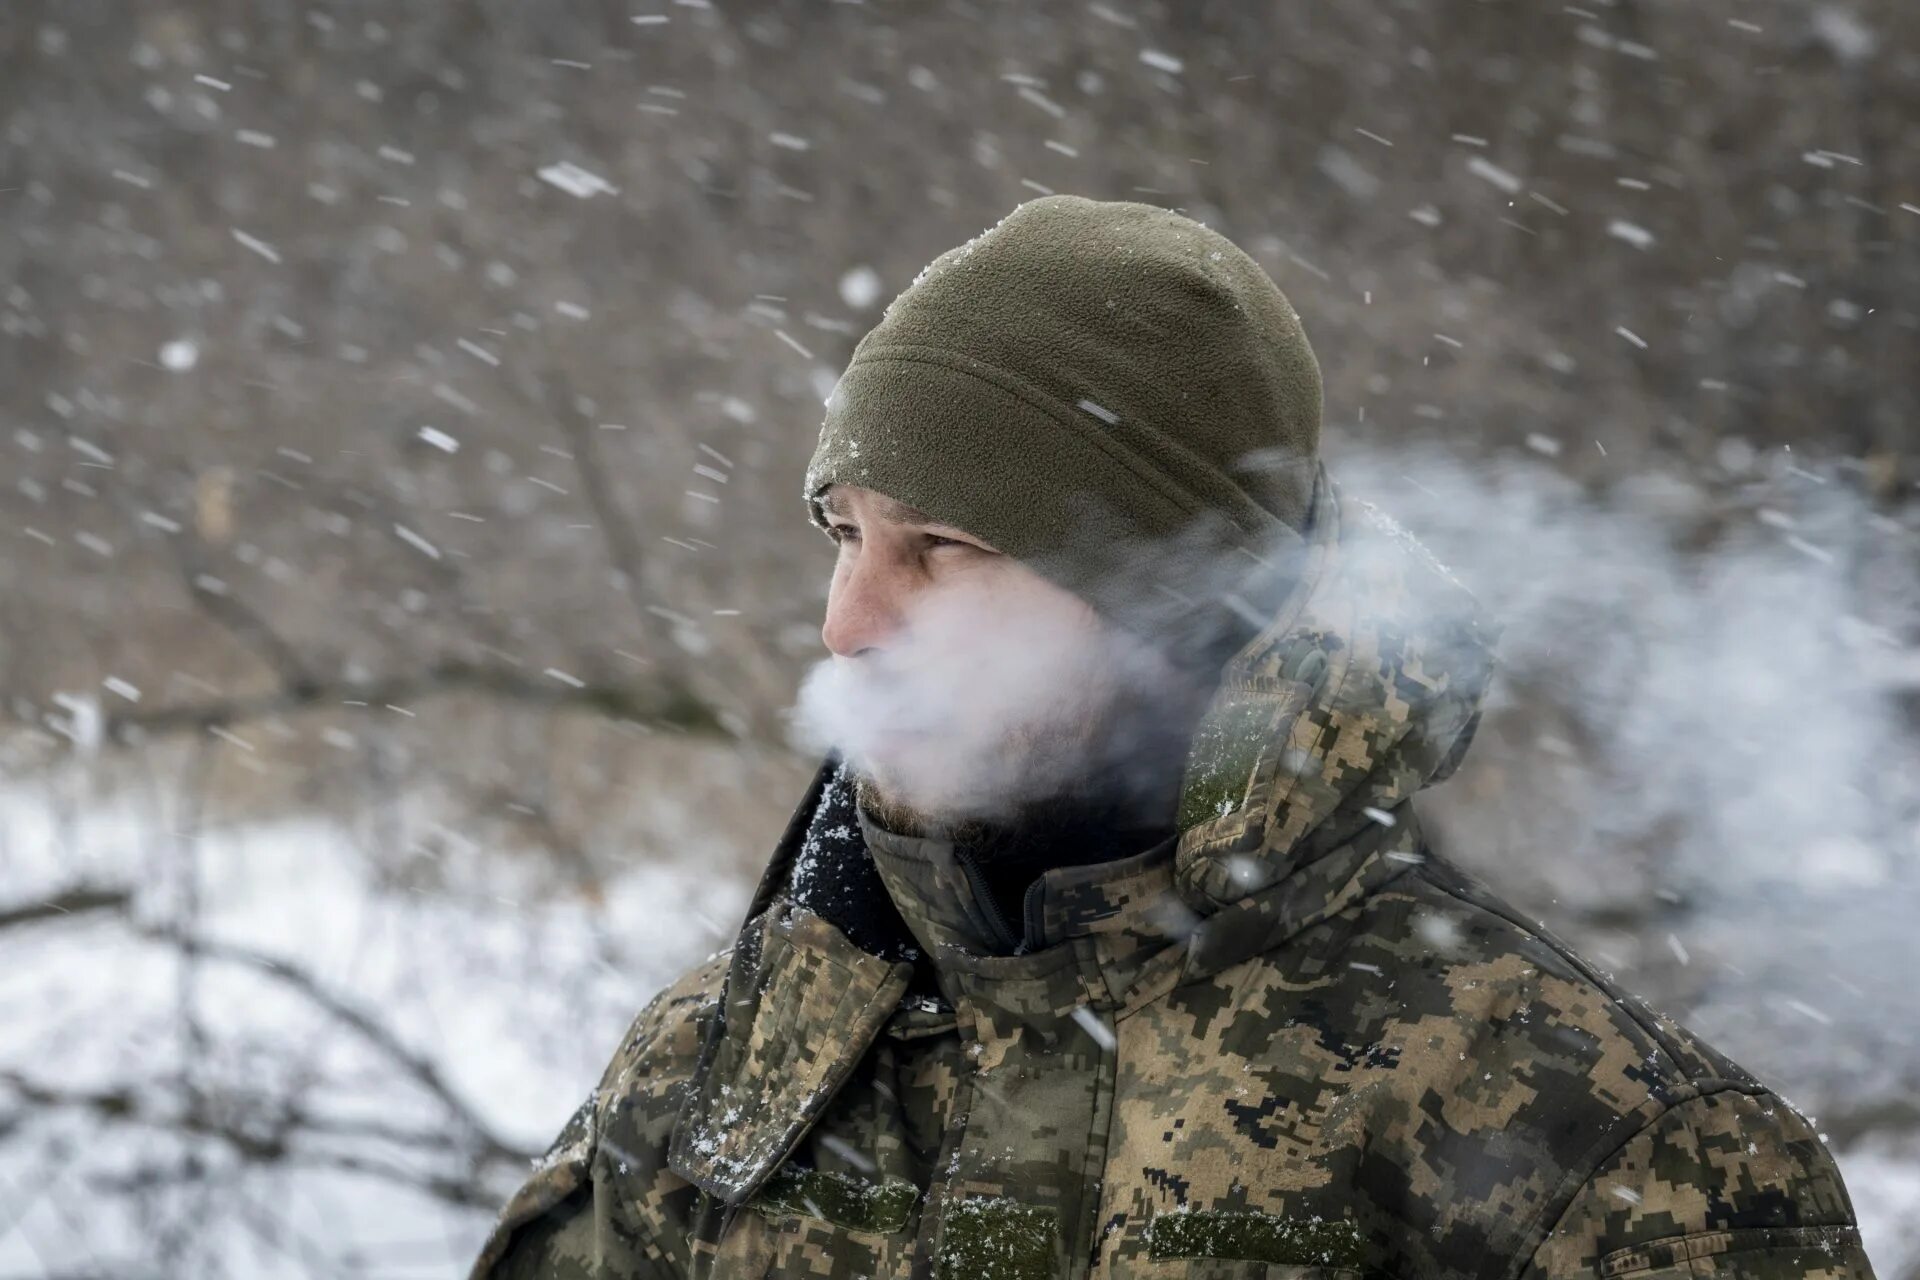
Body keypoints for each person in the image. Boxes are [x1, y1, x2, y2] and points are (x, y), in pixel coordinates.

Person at [471, 196, 1873, 1280]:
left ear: (1175, 595)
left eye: (943, 550)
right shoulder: (735, 1059)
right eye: (846, 537)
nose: (848, 623)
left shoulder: (1601, 1137)